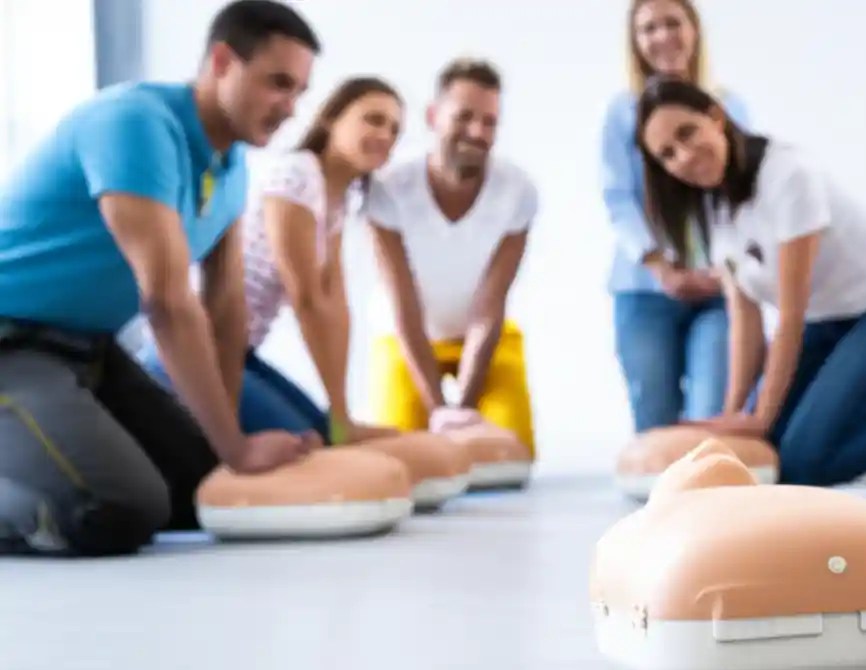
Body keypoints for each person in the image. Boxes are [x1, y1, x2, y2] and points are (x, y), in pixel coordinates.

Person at [0, 0, 319, 557]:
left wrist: (227, 451)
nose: (290, 107)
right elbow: (168, 302)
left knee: (200, 489)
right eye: (278, 84)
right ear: (222, 61)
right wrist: (238, 450)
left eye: (299, 92)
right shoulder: (136, 124)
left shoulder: (230, 165)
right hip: (11, 342)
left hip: (88, 352)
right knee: (117, 510)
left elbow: (224, 307)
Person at [635, 77, 866, 487]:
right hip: (826, 323)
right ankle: (860, 412)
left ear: (716, 118)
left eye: (687, 133)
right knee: (768, 447)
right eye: (667, 154)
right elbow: (745, 316)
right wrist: (734, 414)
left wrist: (761, 416)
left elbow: (790, 313)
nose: (684, 155)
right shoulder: (711, 205)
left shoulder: (788, 175)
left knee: (802, 464)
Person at [139, 77, 404, 446]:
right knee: (310, 446)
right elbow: (307, 300)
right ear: (331, 119)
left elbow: (335, 304)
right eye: (373, 119)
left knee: (325, 436)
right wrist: (340, 422)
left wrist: (342, 414)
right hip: (190, 353)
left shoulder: (340, 200)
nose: (386, 135)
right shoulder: (297, 174)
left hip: (237, 354)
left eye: (395, 129)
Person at [365, 58, 539, 455]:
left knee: (510, 455)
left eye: (489, 121)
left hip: (485, 341)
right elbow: (404, 308)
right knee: (401, 454)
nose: (477, 132)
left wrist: (462, 408)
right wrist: (438, 410)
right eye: (464, 117)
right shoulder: (389, 189)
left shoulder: (518, 191)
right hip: (405, 339)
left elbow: (489, 306)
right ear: (433, 115)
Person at [602, 0, 750, 433]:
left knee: (709, 421)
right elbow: (616, 198)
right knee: (656, 431)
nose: (662, 36)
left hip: (719, 291)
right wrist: (663, 268)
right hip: (645, 290)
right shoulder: (621, 113)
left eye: (672, 23)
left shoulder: (731, 106)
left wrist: (724, 272)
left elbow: (744, 196)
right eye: (648, 28)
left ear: (694, 29)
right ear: (635, 41)